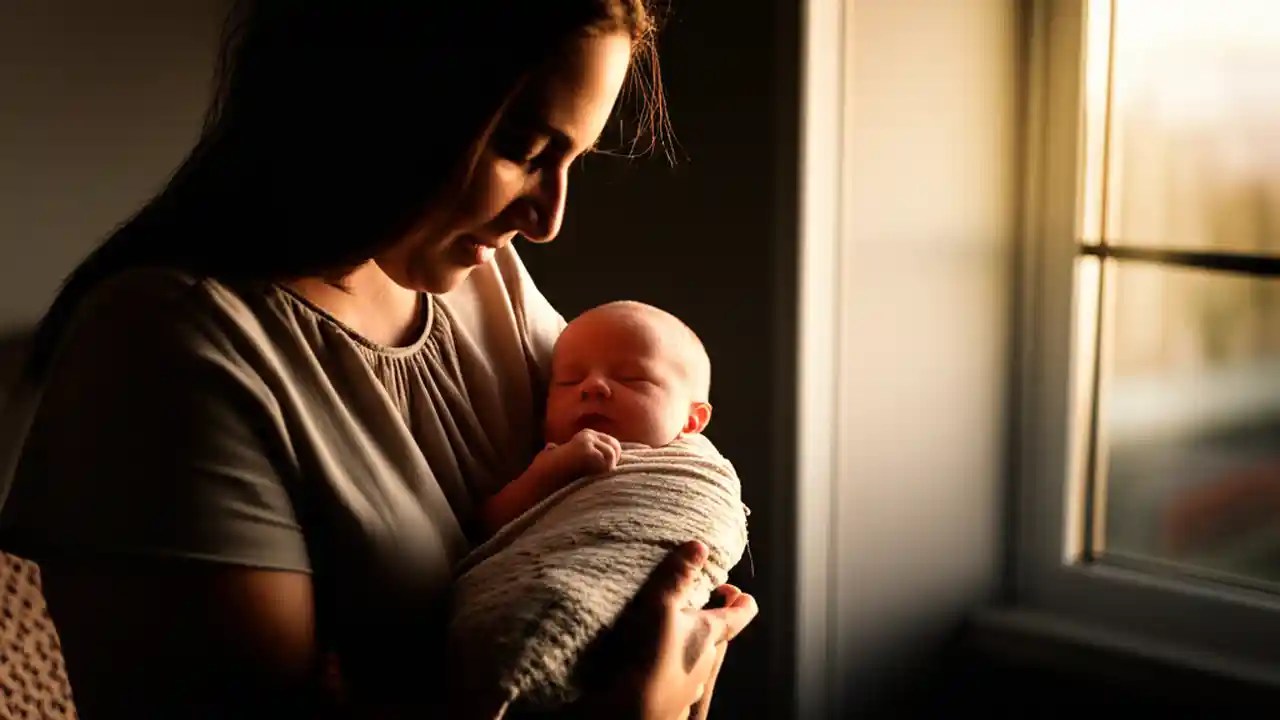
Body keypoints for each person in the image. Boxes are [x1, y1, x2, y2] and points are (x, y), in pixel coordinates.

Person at [0, 2, 757, 718]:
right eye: (524, 149)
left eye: (573, 160)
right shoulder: (165, 349)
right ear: (386, 95)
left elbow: (647, 462)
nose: (548, 220)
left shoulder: (480, 276)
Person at [480, 300, 719, 532]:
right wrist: (544, 476)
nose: (592, 386)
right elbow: (484, 528)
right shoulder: (548, 463)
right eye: (569, 381)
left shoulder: (697, 472)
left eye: (630, 377)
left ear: (692, 420)